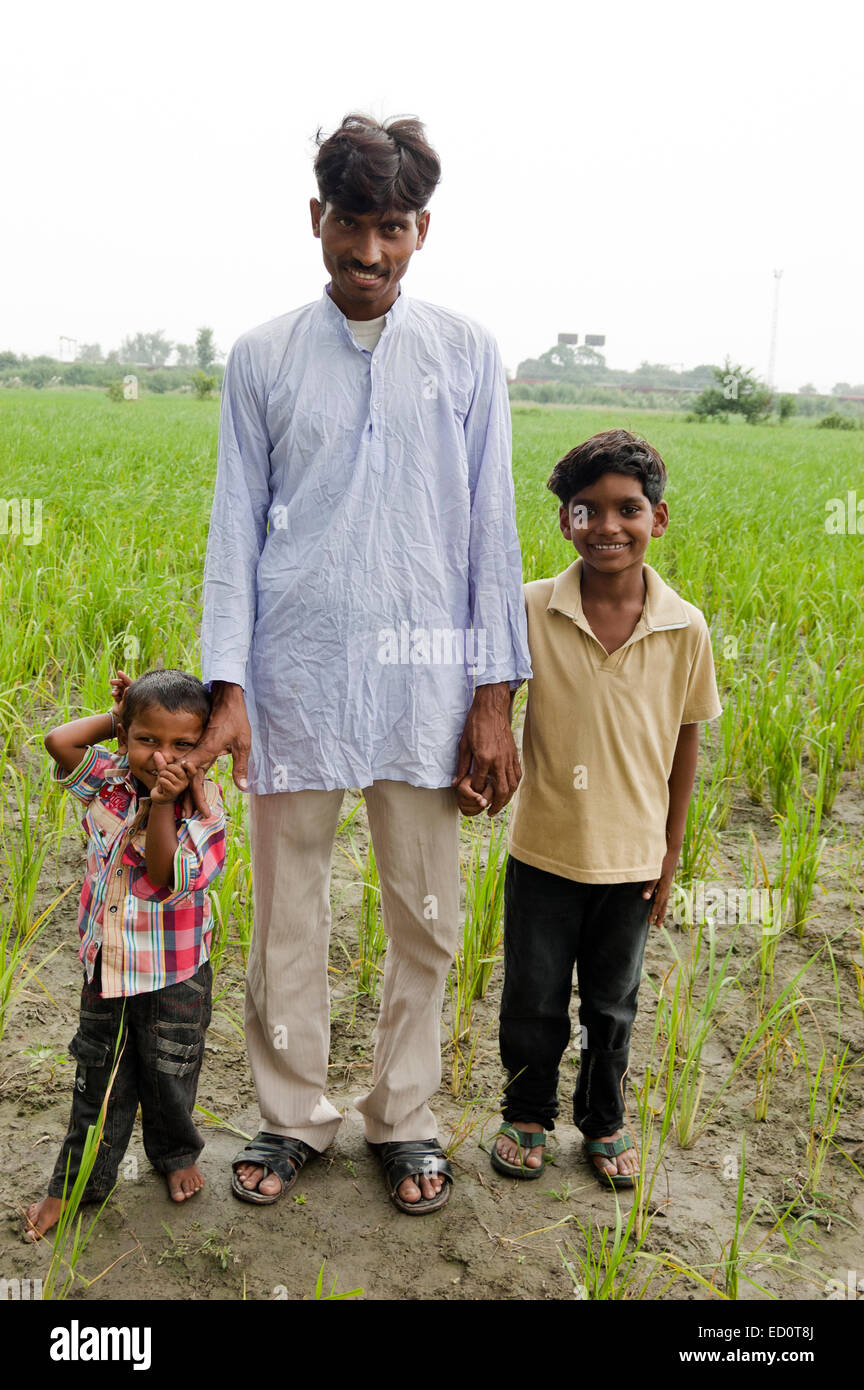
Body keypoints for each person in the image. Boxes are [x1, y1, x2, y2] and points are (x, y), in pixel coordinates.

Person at [191, 113, 531, 1214]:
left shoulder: (468, 353)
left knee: (425, 915)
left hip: (429, 688)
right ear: (316, 220)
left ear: (422, 229)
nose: (369, 254)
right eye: (351, 225)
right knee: (289, 910)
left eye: (392, 228)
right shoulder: (263, 356)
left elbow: (493, 534)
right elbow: (232, 535)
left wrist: (492, 699)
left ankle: (404, 1114)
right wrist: (231, 689)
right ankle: (292, 1116)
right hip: (294, 681)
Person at [483, 430, 721, 1187]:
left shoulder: (685, 626)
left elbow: (686, 741)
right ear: (564, 523)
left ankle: (604, 1121)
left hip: (633, 859)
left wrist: (672, 851)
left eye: (628, 509)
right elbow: (492, 712)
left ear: (660, 517)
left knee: (613, 1005)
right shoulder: (530, 609)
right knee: (533, 996)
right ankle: (526, 1113)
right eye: (587, 510)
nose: (608, 526)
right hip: (544, 848)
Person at [24, 668, 226, 1240]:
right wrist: (120, 715)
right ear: (125, 739)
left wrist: (164, 801)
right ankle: (79, 1182)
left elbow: (162, 874)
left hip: (175, 975)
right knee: (99, 1079)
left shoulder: (205, 812)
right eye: (148, 739)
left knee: (170, 1072)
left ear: (204, 747)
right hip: (107, 969)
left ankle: (174, 1153)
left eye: (184, 744)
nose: (163, 756)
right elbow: (58, 742)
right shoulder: (110, 779)